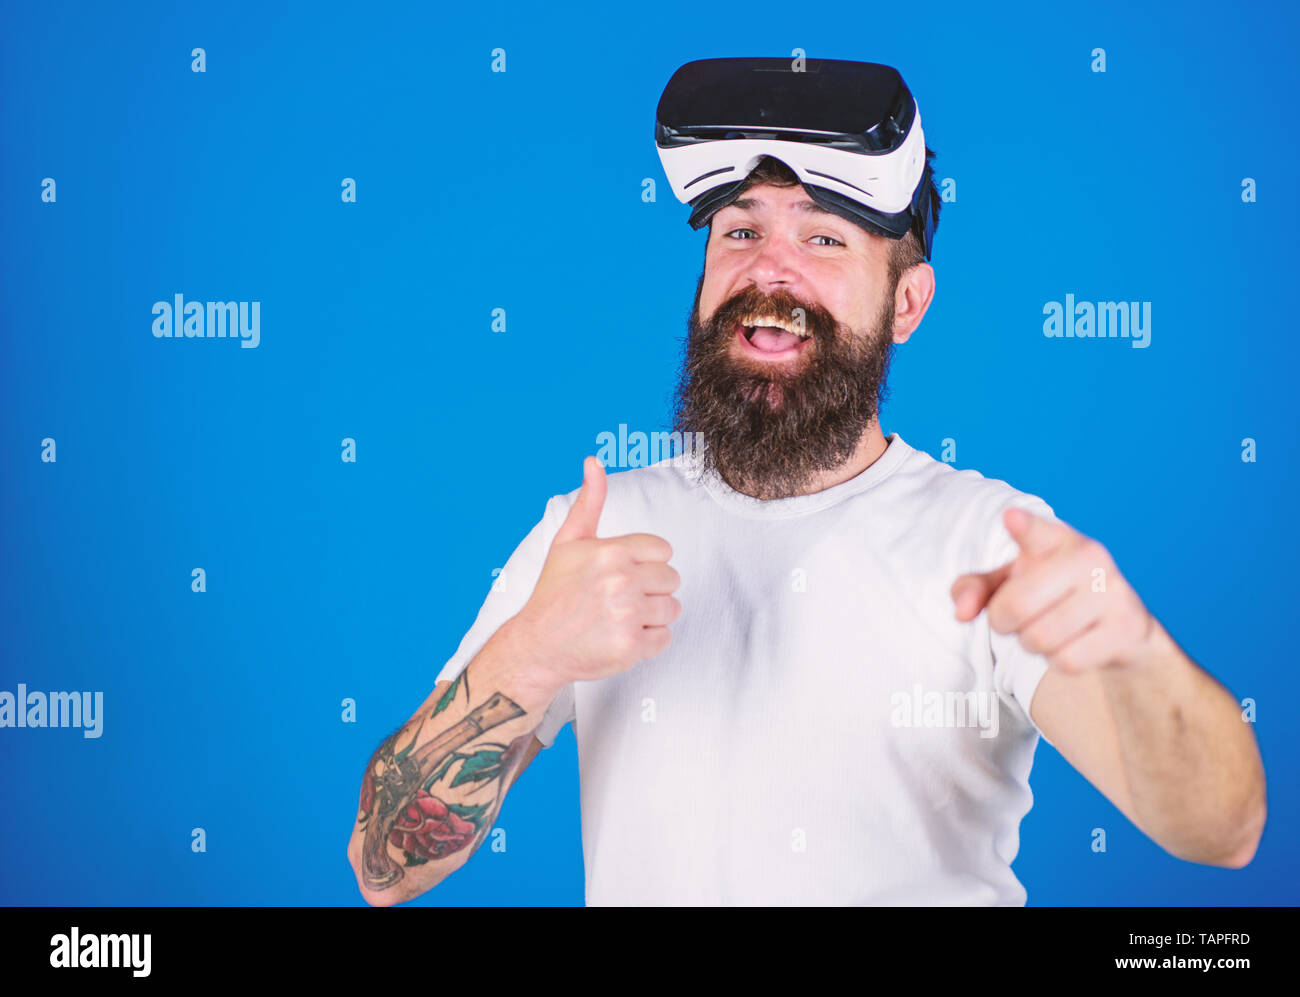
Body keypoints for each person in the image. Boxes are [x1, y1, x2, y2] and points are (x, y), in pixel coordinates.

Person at [346, 58, 1266, 906]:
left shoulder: (993, 543)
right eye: (740, 230)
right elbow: (385, 865)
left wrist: (1137, 650)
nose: (768, 268)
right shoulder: (593, 533)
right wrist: (533, 650)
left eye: (825, 239)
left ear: (906, 304)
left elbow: (1221, 830)